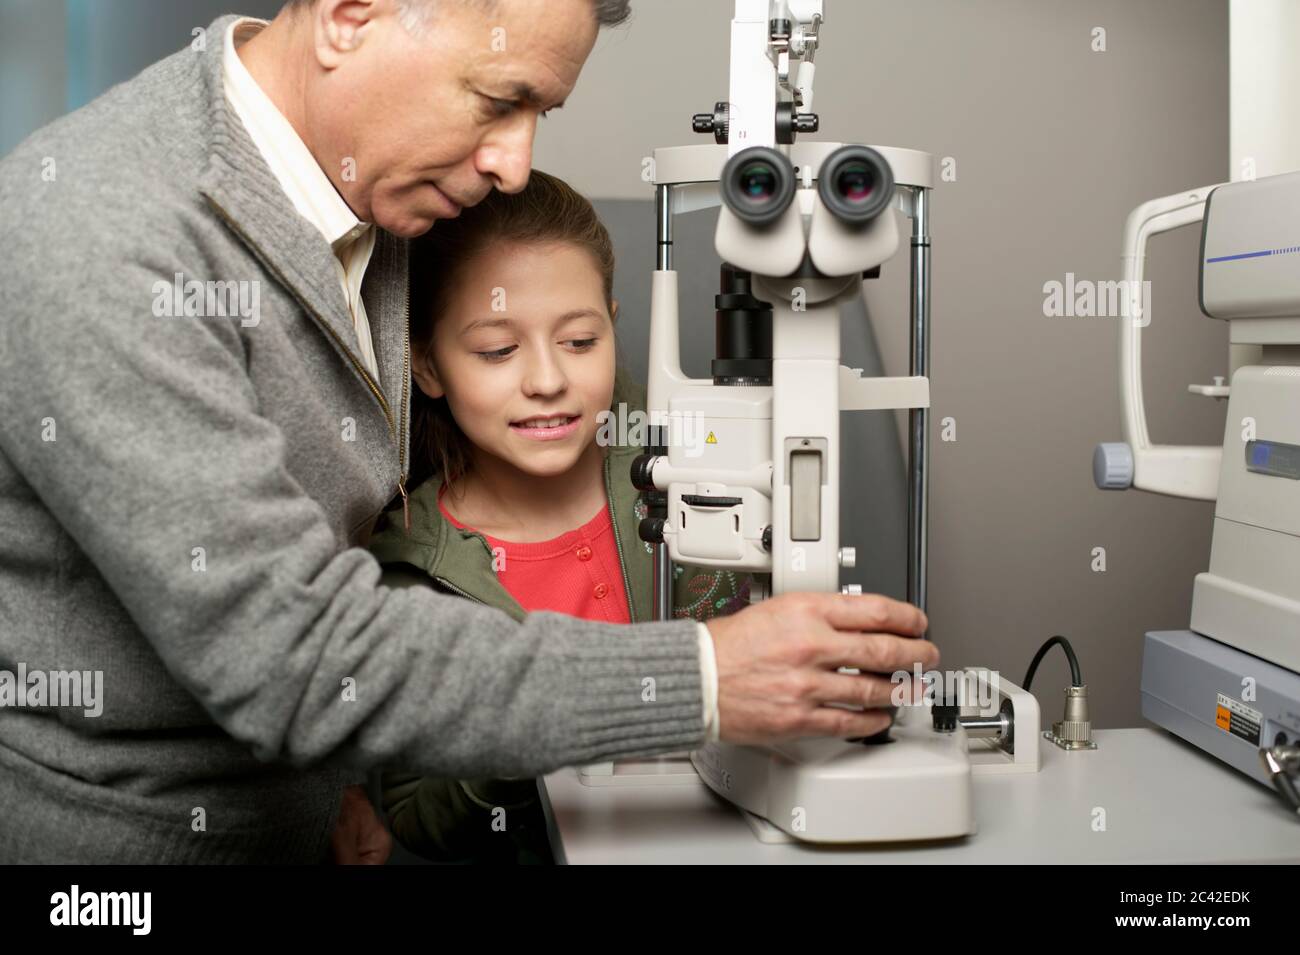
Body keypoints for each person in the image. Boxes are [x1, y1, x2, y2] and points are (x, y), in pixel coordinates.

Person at [0, 0, 937, 864]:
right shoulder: (103, 234)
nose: (514, 165)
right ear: (350, 15)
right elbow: (299, 660)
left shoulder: (380, 204)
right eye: (498, 99)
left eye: (541, 115)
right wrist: (701, 677)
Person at [373, 169, 753, 862]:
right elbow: (417, 815)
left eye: (580, 341)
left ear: (613, 323)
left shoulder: (689, 468)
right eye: (497, 349)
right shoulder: (415, 573)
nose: (547, 380)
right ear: (428, 366)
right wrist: (526, 723)